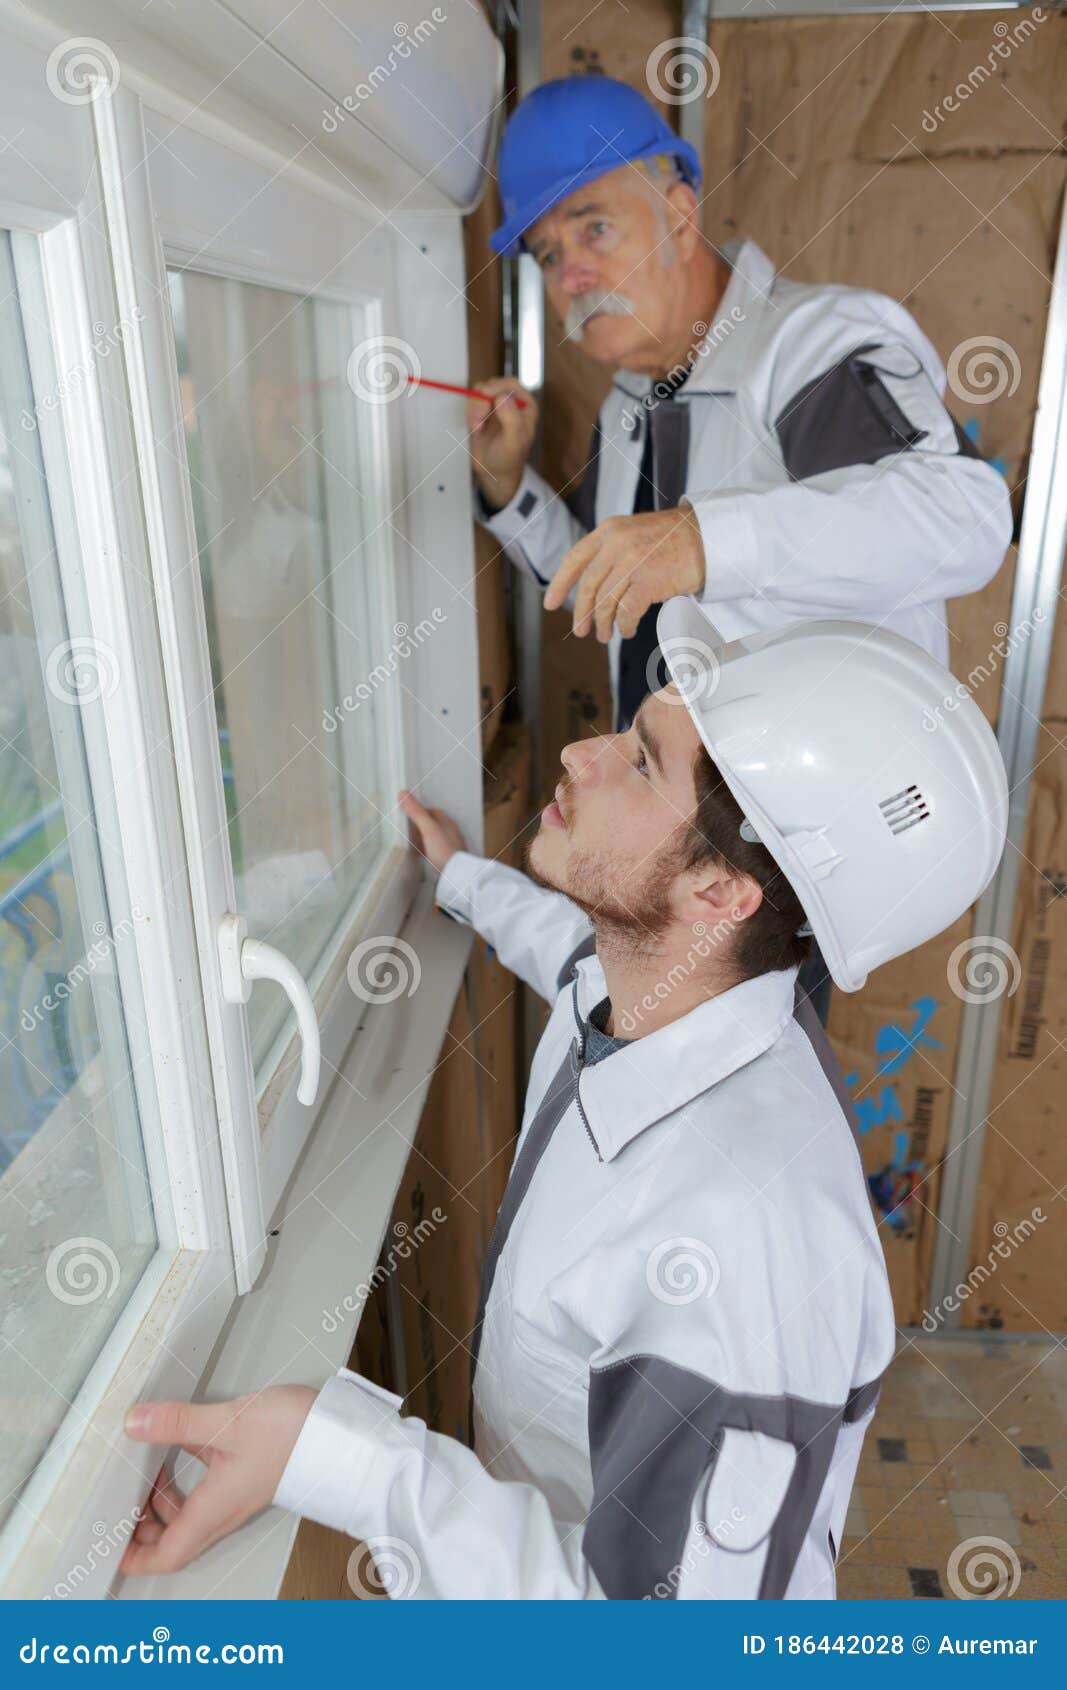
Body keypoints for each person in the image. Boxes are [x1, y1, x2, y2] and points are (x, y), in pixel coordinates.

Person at [119, 601, 1008, 1599]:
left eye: (638, 760)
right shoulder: (660, 990)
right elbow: (568, 952)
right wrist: (458, 878)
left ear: (719, 894)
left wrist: (330, 1455)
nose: (583, 752)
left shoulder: (743, 1236)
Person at [469, 75, 1012, 1024]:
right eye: (549, 255)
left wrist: (705, 538)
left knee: (737, 1107)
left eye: (593, 228)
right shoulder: (630, 406)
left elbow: (961, 517)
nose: (573, 276)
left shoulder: (807, 348)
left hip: (774, 861)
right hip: (661, 839)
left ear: (680, 211)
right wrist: (512, 491)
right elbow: (612, 579)